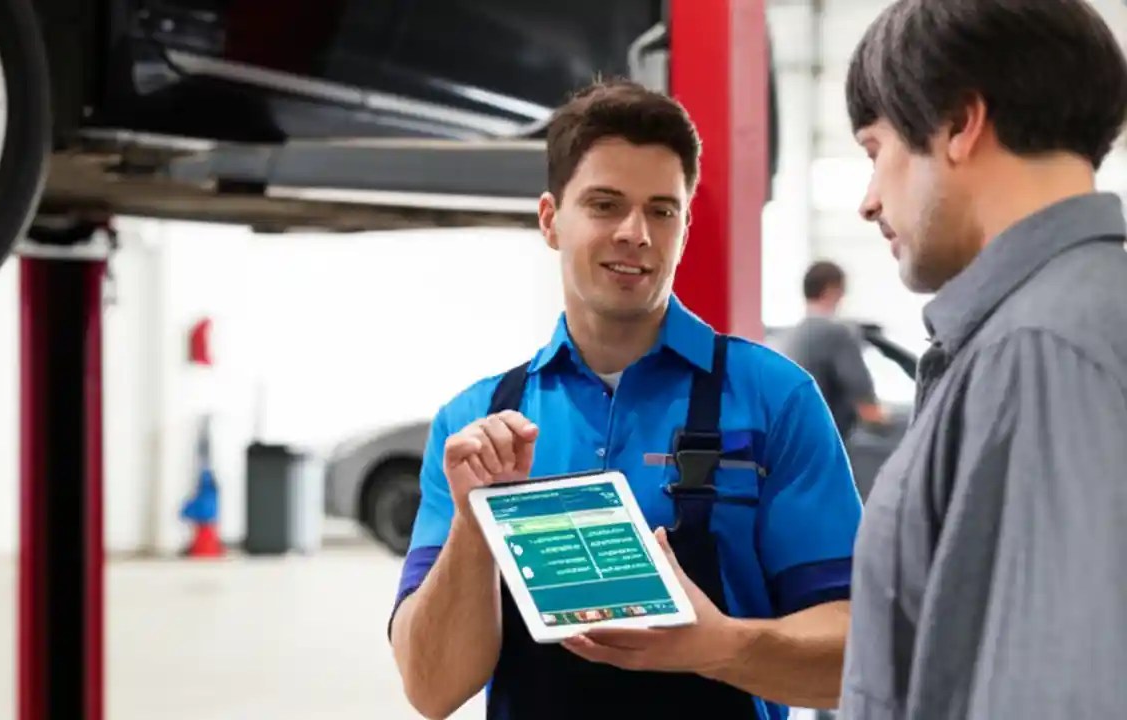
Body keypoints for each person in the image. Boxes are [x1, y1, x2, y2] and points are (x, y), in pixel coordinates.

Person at [388, 79, 862, 720]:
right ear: (552, 220)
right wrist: (475, 527)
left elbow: (852, 659)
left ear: (684, 228)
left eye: (662, 210)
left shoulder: (774, 401)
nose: (636, 232)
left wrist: (717, 646)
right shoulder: (476, 424)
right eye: (606, 205)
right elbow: (431, 688)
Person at [841, 1, 1127, 718]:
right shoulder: (1068, 323)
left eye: (876, 152)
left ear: (959, 125)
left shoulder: (1041, 354)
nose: (869, 201)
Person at [779, 261, 887, 440]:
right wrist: (882, 422)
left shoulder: (789, 336)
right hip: (825, 443)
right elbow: (861, 392)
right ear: (832, 290)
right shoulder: (836, 332)